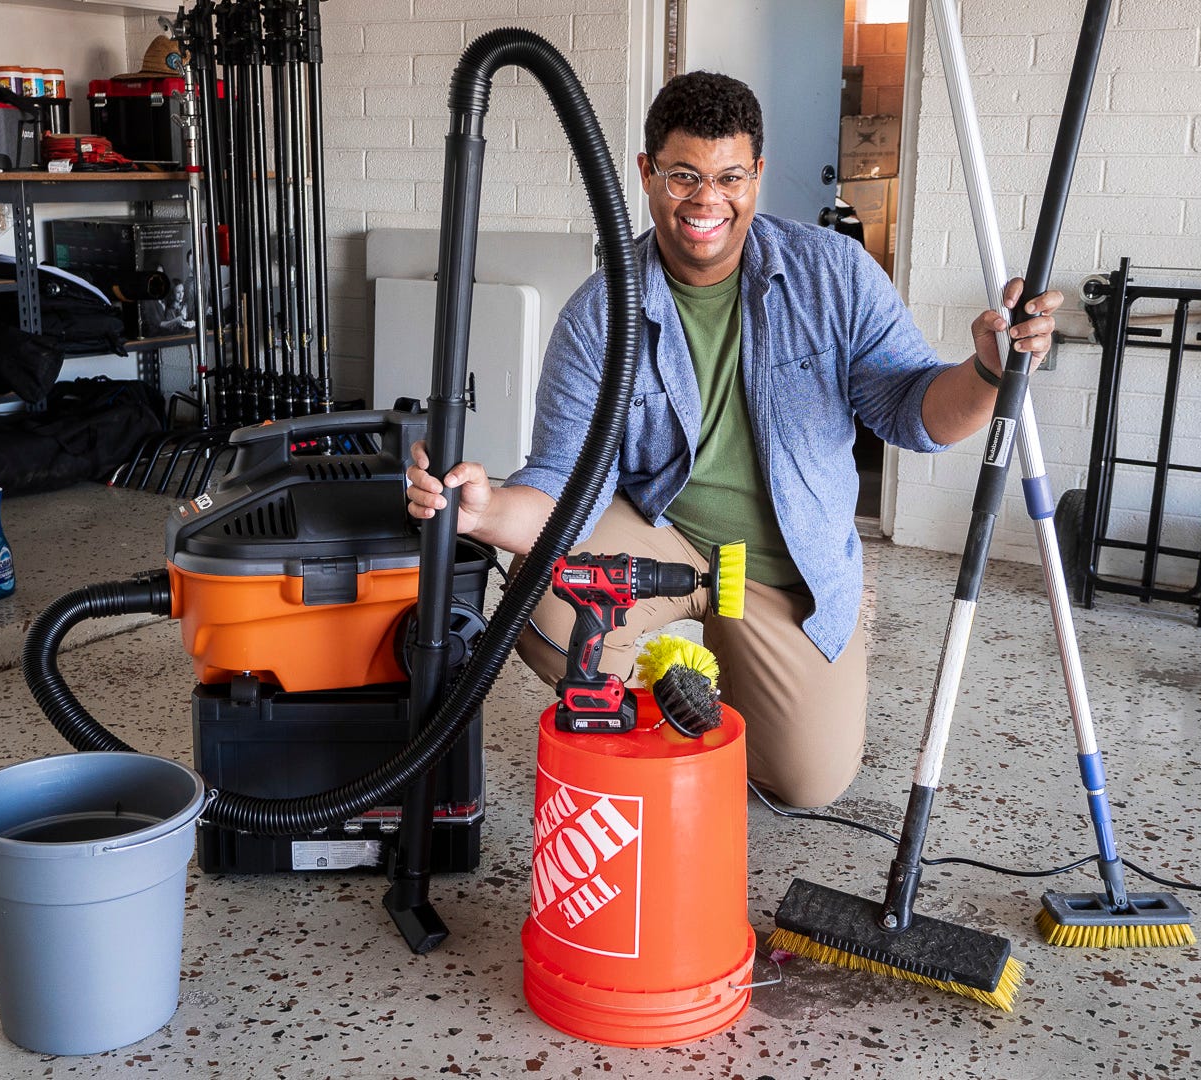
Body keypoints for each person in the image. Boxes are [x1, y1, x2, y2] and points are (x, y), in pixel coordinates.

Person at [406, 71, 1063, 808]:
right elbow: (566, 478)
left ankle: (739, 655)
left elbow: (914, 413)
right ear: (647, 173)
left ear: (756, 174)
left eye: (729, 177)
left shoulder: (833, 274)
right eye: (683, 174)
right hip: (665, 540)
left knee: (806, 783)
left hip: (783, 572)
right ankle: (672, 660)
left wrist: (988, 371)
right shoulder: (601, 314)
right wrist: (483, 510)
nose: (706, 200)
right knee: (546, 609)